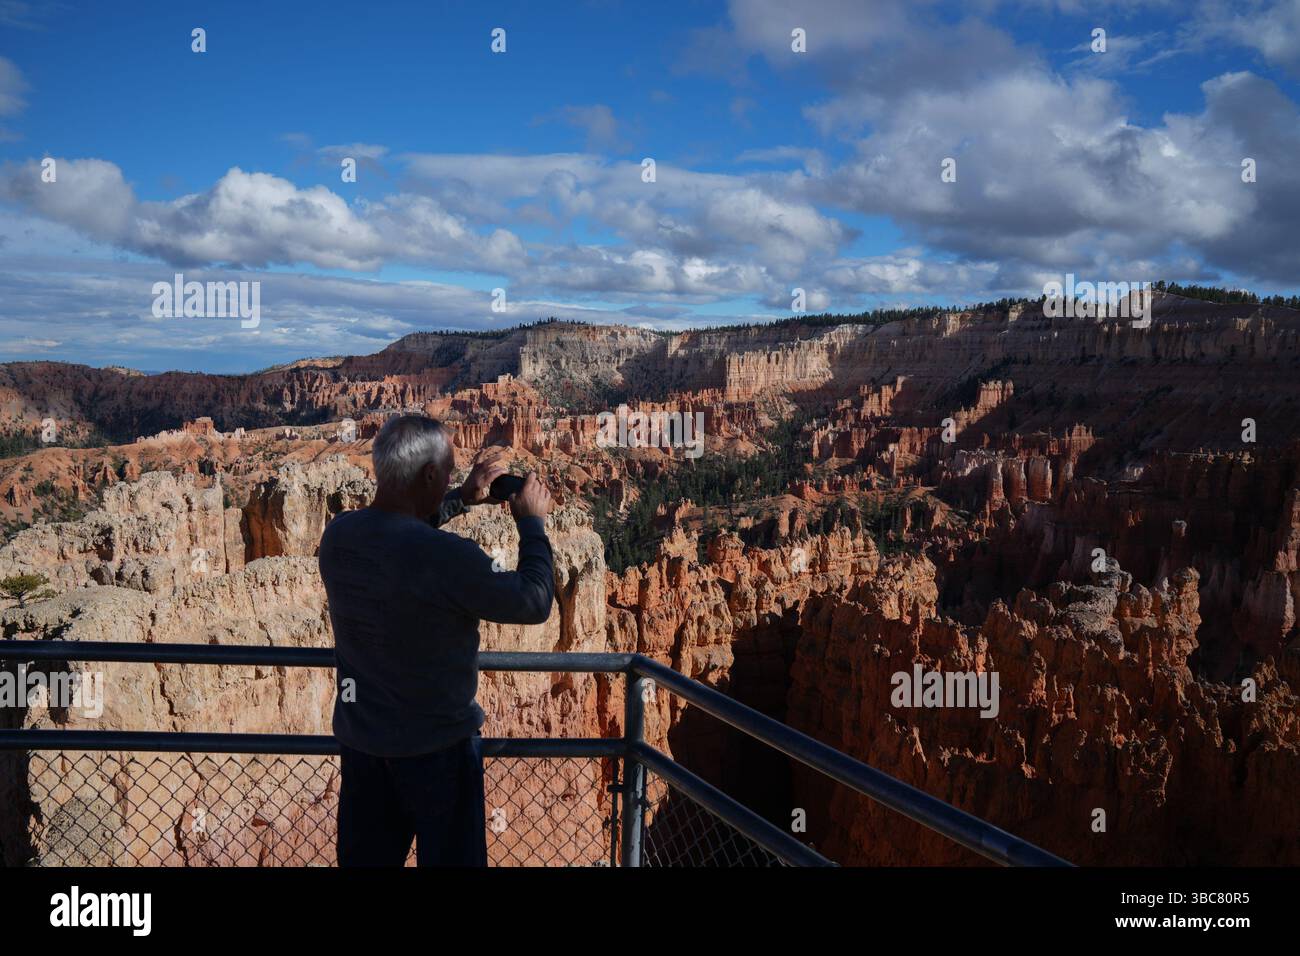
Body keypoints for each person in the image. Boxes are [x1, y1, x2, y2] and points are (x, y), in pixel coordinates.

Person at [318, 414, 554, 866]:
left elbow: (401, 534)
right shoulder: (448, 558)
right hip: (438, 755)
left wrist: (460, 498)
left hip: (364, 749)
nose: (450, 478)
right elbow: (533, 601)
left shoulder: (338, 537)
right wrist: (531, 524)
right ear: (429, 475)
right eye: (446, 472)